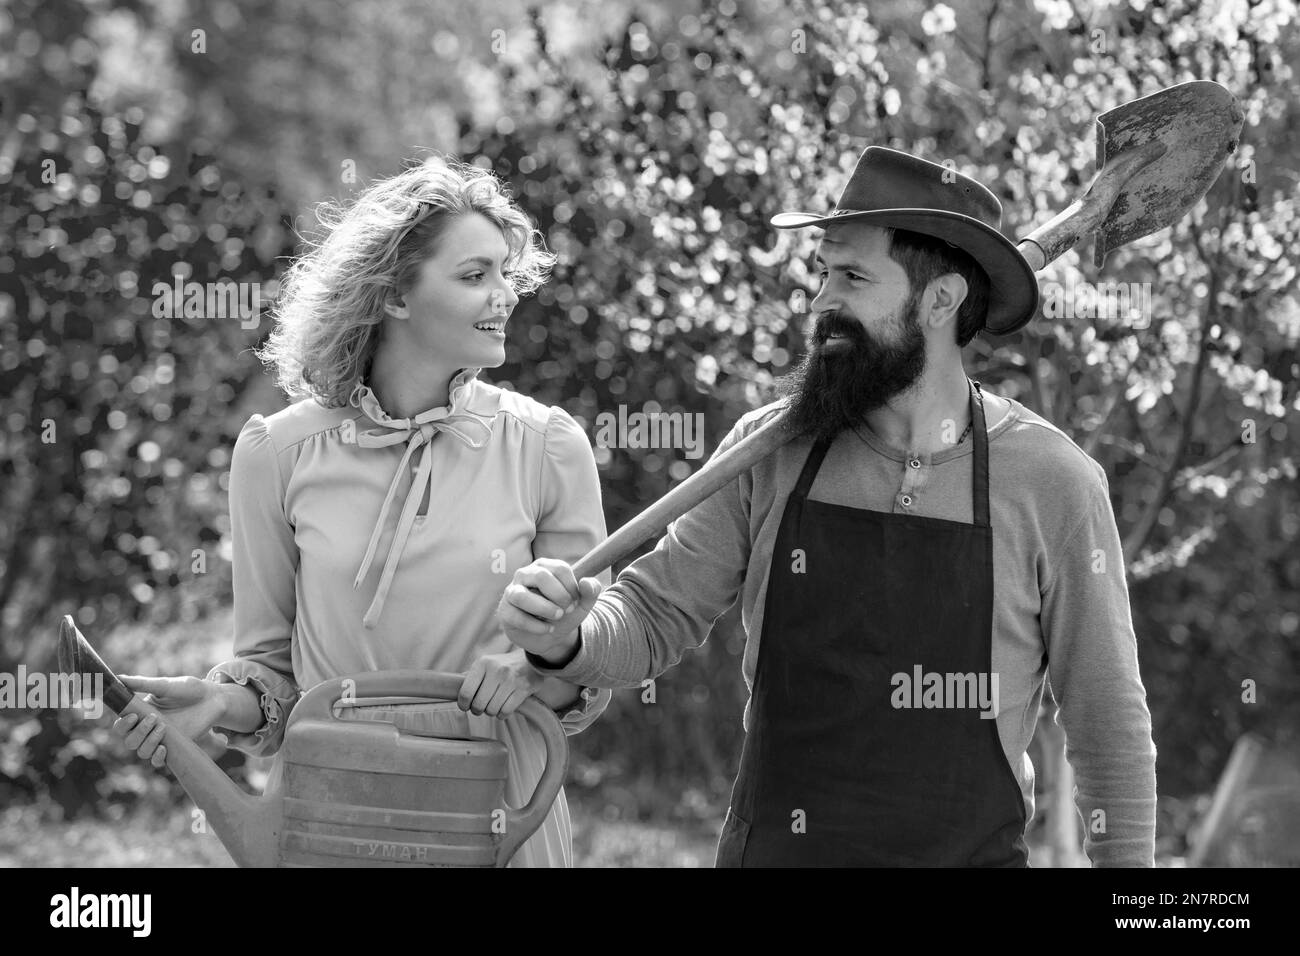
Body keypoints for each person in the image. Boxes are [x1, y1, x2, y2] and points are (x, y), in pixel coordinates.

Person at [498, 147, 1159, 867]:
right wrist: (568, 637)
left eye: (851, 277)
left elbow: (1108, 727)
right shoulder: (773, 449)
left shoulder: (1052, 480)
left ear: (940, 300)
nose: (821, 304)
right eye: (822, 275)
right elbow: (653, 618)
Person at [113, 155, 611, 867]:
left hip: (498, 819)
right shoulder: (277, 453)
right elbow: (272, 677)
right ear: (396, 296)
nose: (506, 294)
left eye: (506, 271)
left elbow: (590, 671)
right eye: (475, 276)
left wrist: (536, 668)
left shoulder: (547, 447)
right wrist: (220, 702)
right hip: (335, 818)